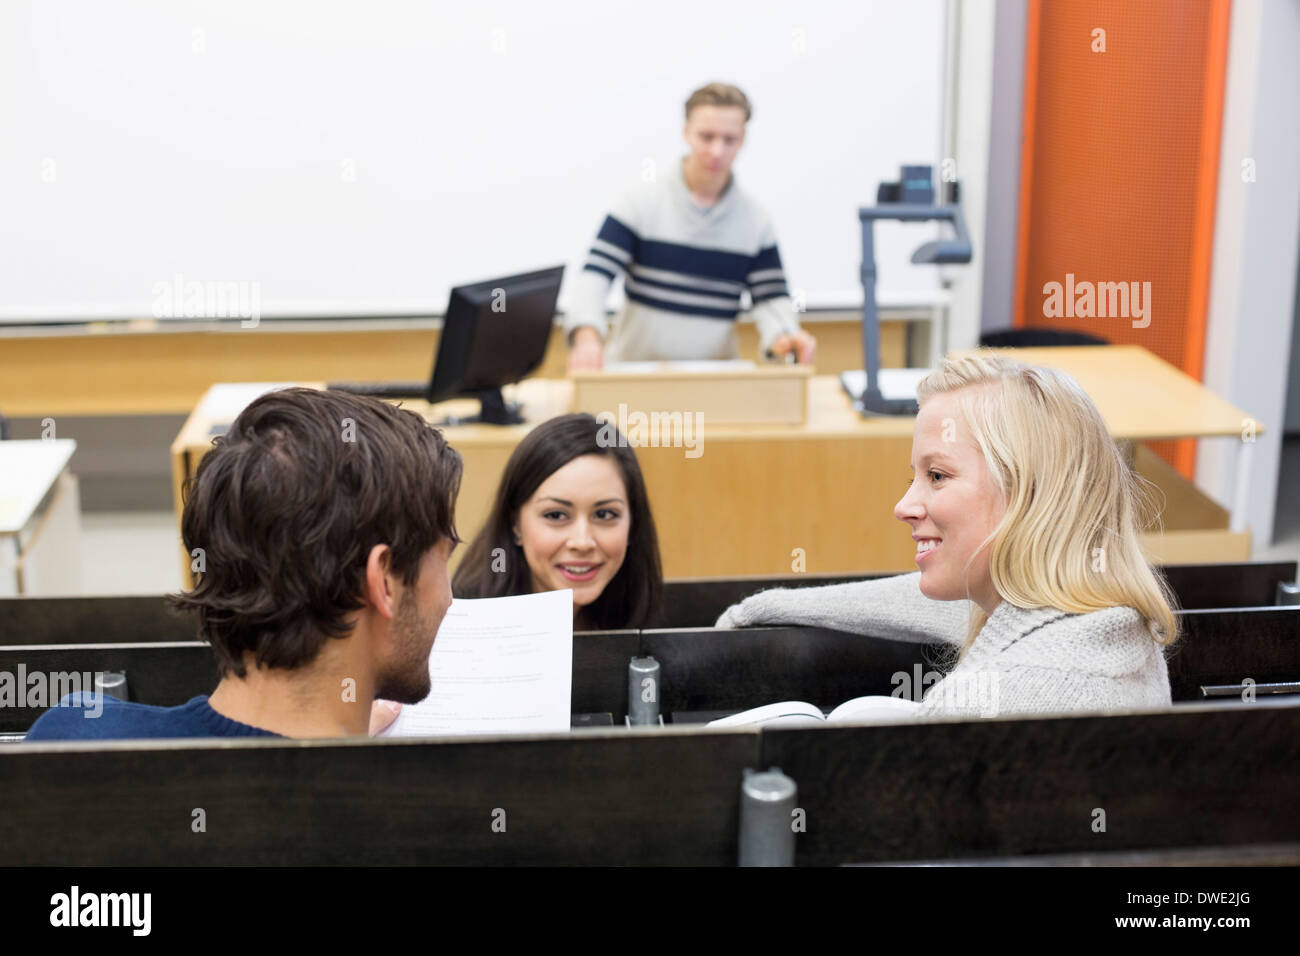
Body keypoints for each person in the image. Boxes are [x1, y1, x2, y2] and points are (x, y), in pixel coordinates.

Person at [714, 353, 1178, 719]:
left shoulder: (991, 700)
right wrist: (766, 608)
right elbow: (917, 605)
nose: (904, 507)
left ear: (1029, 492)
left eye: (937, 475)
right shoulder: (1107, 620)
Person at [25, 387, 463, 740]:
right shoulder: (418, 821)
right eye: (444, 559)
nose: (447, 599)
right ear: (383, 580)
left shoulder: (70, 734)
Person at [565, 82, 817, 370]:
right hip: (634, 375)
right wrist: (586, 336)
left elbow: (772, 301)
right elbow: (594, 278)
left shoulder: (756, 221)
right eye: (706, 136)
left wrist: (785, 338)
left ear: (743, 139)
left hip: (713, 382)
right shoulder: (638, 202)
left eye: (729, 139)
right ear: (686, 132)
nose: (717, 150)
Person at [453, 412, 663, 630]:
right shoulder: (464, 631)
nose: (582, 542)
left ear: (633, 523)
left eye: (604, 515)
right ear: (515, 524)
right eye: (555, 515)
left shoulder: (645, 616)